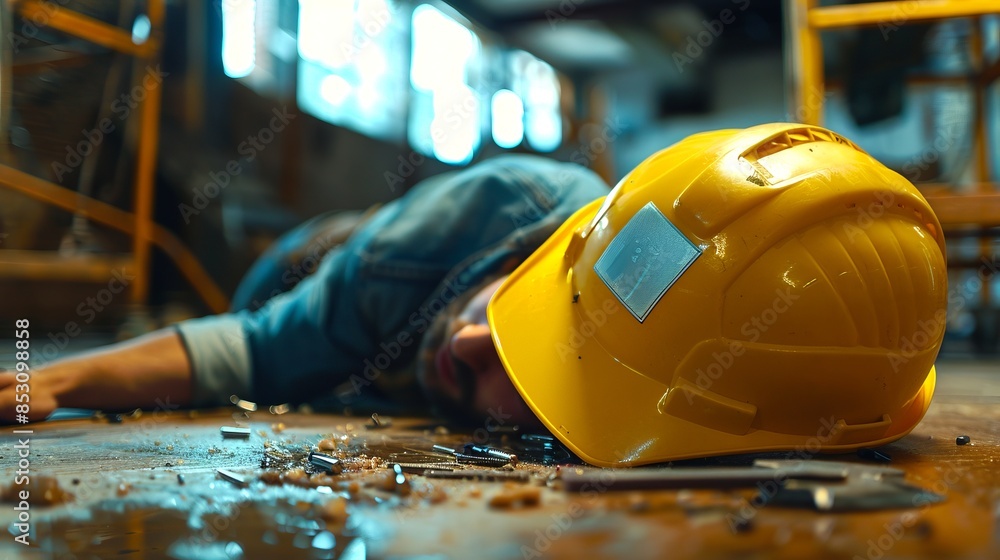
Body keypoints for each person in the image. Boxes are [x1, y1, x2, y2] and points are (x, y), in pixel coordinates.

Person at [1, 124, 949, 467]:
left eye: (539, 381)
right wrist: (60, 379)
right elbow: (246, 350)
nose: (466, 347)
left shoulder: (694, 313)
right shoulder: (423, 256)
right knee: (282, 325)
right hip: (323, 255)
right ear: (565, 255)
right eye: (516, 316)